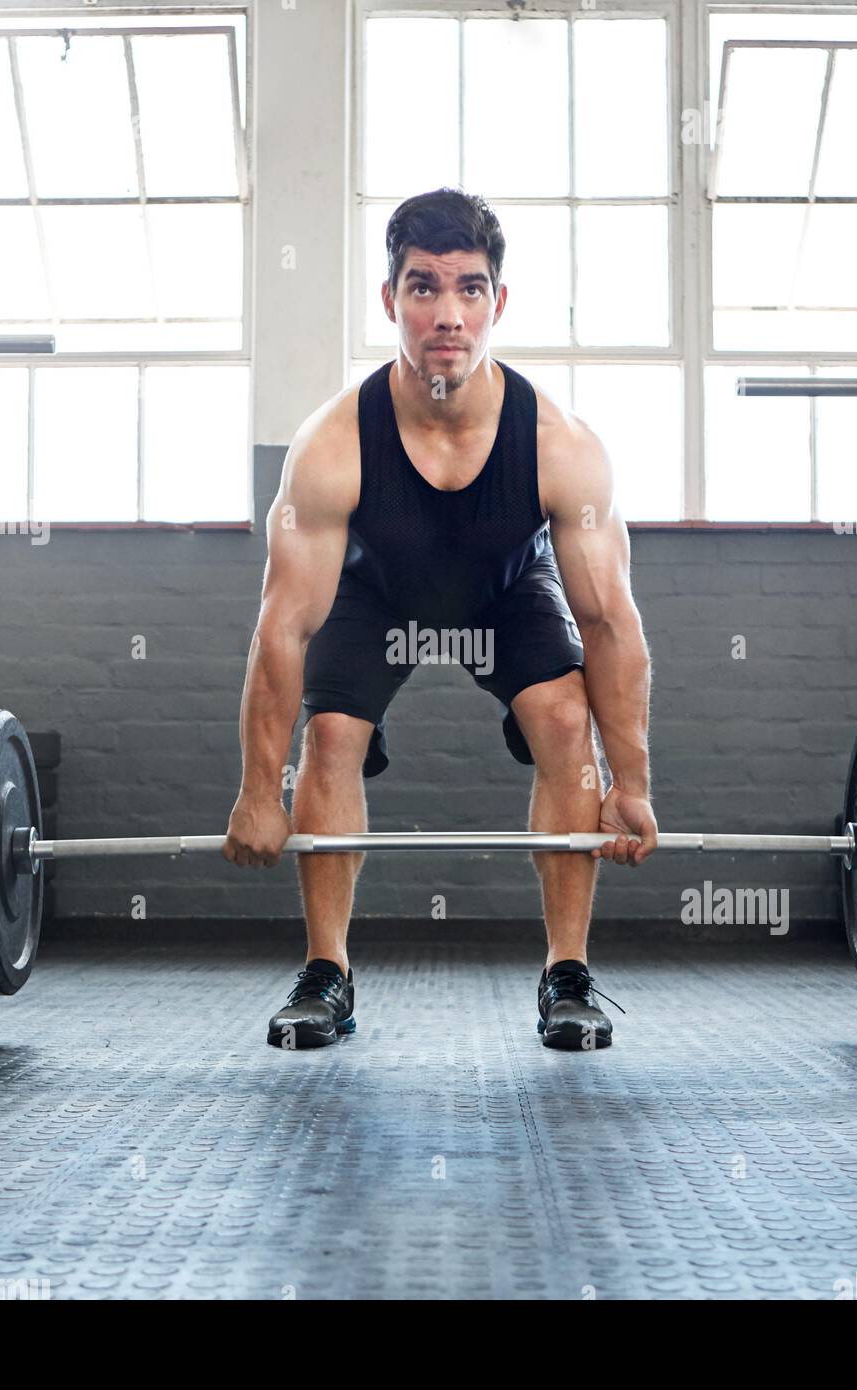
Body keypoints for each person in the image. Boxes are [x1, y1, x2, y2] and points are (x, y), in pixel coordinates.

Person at [224, 188, 657, 1050]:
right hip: (377, 592)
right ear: (390, 302)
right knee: (335, 731)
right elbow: (283, 629)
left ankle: (565, 974)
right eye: (423, 287)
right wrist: (254, 791)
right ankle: (328, 974)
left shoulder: (561, 445)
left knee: (565, 718)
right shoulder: (332, 444)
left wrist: (632, 784)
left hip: (503, 591)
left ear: (499, 303)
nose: (447, 314)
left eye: (469, 288)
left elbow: (608, 624)